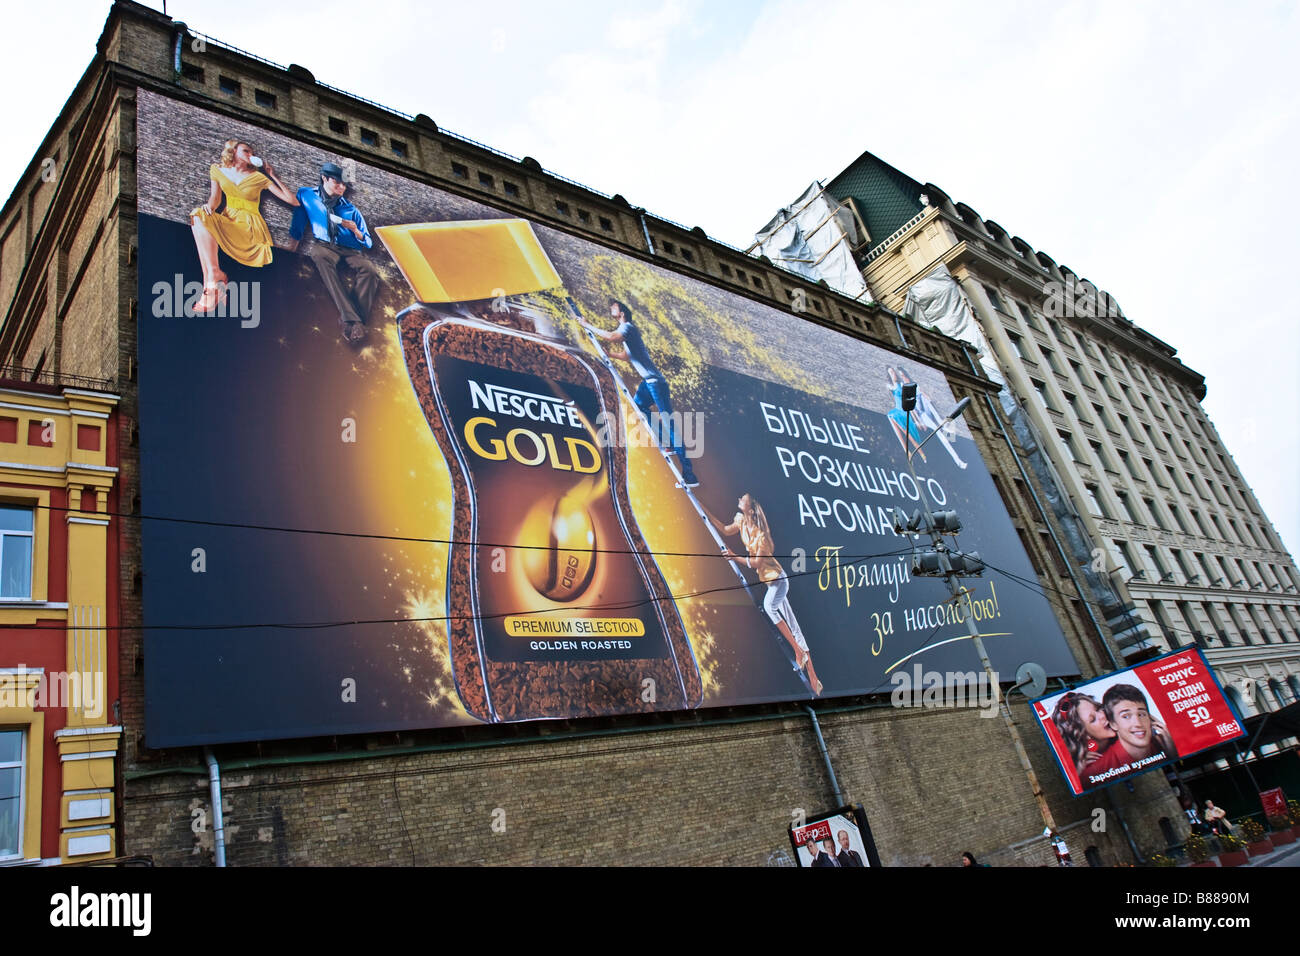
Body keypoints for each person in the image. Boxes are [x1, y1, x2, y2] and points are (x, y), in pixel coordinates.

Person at [703, 493, 823, 696]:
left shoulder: (761, 536)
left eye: (743, 498)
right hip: (770, 583)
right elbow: (724, 529)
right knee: (793, 625)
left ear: (750, 508)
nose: (739, 498)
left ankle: (798, 651)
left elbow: (756, 564)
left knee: (770, 607)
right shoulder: (740, 521)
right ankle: (813, 677)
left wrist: (734, 557)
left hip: (778, 580)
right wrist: (703, 509)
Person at [577, 300, 699, 487]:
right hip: (648, 383)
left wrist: (587, 325)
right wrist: (611, 355)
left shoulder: (627, 328)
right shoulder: (626, 331)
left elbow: (611, 336)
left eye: (614, 306)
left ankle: (690, 475)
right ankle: (668, 441)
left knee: (669, 423)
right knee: (639, 405)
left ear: (623, 310)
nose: (611, 308)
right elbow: (627, 355)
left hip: (656, 383)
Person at [189, 139, 297, 312]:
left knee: (201, 221)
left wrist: (273, 175)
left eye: (252, 153)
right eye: (246, 151)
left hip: (250, 226)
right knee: (198, 215)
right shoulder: (217, 170)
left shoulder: (258, 177)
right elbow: (215, 199)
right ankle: (213, 275)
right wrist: (209, 207)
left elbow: (293, 201)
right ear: (233, 151)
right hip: (229, 218)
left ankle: (211, 283)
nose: (250, 155)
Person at [285, 161, 383, 343]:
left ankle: (350, 321)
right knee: (319, 255)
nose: (341, 187)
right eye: (337, 182)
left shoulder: (351, 209)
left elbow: (368, 242)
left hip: (351, 250)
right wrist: (292, 247)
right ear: (324, 178)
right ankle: (355, 322)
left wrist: (356, 230)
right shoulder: (307, 195)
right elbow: (298, 223)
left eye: (344, 184)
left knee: (369, 269)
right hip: (325, 245)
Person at [1081, 683, 1177, 788]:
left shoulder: (1166, 744)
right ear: (1113, 724)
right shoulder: (1096, 771)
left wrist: (1173, 752)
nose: (1138, 723)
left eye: (1141, 714)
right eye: (1126, 716)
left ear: (1150, 718)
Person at [896, 368, 967, 469]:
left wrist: (927, 397)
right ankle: (958, 461)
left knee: (928, 402)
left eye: (904, 375)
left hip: (928, 410)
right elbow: (911, 409)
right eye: (902, 377)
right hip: (922, 415)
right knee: (941, 436)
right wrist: (917, 421)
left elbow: (924, 396)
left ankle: (943, 424)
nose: (904, 378)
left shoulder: (915, 385)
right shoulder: (904, 390)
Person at [1051, 691, 1118, 779]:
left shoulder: (1127, 736)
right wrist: (1078, 775)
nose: (1102, 715)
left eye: (1098, 709)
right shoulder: (1083, 768)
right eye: (1093, 719)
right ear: (1083, 734)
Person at [885, 366, 927, 462]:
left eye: (893, 372)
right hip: (898, 411)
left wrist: (917, 420)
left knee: (910, 435)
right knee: (891, 416)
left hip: (905, 412)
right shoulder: (891, 387)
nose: (893, 374)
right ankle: (906, 451)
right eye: (891, 373)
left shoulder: (902, 385)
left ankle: (922, 454)